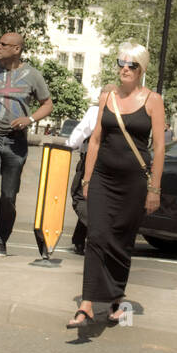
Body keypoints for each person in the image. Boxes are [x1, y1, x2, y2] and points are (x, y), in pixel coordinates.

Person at [68, 41, 165, 330]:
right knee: (96, 235)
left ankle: (116, 301)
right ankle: (86, 304)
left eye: (131, 64)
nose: (125, 68)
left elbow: (159, 148)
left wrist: (154, 188)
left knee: (121, 242)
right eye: (121, 63)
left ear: (141, 69)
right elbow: (95, 139)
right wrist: (86, 178)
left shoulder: (153, 100)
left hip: (134, 183)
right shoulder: (107, 97)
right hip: (102, 178)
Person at [0, 33, 53, 262]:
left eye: (3, 44)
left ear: (17, 49)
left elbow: (47, 104)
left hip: (16, 142)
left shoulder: (32, 76)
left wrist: (30, 120)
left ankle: (2, 238)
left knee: (8, 196)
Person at [67, 90, 113, 255]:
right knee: (96, 200)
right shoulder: (123, 111)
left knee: (80, 197)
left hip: (91, 161)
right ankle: (79, 239)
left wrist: (69, 145)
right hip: (111, 163)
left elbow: (80, 133)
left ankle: (93, 236)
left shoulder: (95, 111)